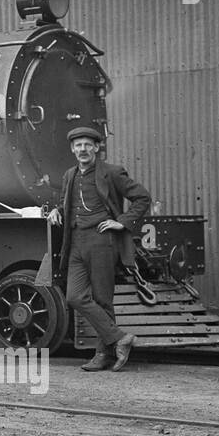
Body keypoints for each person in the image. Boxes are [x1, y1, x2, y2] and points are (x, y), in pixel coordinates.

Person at [42, 126, 151, 372]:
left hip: (102, 242)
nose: (83, 149)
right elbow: (66, 202)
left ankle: (103, 355)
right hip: (76, 242)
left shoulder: (111, 173)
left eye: (87, 145)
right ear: (72, 149)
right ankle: (120, 338)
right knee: (74, 296)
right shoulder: (70, 174)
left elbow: (142, 197)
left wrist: (121, 222)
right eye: (78, 145)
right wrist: (58, 210)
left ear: (97, 148)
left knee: (103, 300)